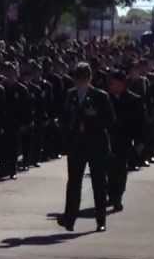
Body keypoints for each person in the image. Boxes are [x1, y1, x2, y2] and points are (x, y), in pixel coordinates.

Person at [59, 62, 114, 234]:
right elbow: (64, 117)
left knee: (99, 184)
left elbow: (110, 119)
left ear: (89, 78)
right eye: (78, 78)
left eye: (83, 78)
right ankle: (70, 218)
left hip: (96, 144)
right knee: (74, 183)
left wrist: (94, 119)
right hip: (76, 145)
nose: (80, 82)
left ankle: (101, 220)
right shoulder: (70, 95)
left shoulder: (100, 96)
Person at [106, 68, 144, 212]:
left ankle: (117, 197)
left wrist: (139, 141)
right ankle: (111, 194)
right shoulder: (105, 98)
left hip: (124, 141)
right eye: (112, 84)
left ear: (123, 84)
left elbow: (140, 122)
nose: (113, 86)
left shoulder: (134, 100)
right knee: (108, 171)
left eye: (116, 83)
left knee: (121, 171)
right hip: (107, 141)